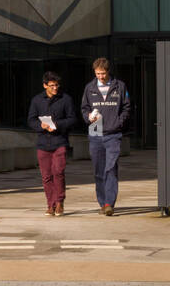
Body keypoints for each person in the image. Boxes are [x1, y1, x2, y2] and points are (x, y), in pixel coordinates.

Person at [81, 57, 130, 215]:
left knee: (111, 168)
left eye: (102, 73)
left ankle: (109, 203)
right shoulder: (89, 88)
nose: (100, 77)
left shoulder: (119, 86)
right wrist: (88, 117)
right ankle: (102, 203)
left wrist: (119, 122)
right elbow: (84, 108)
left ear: (108, 71)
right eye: (97, 74)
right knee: (99, 170)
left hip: (113, 134)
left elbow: (127, 107)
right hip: (95, 132)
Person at [27, 72, 76, 216]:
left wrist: (57, 124)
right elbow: (31, 120)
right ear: (45, 86)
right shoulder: (37, 100)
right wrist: (40, 125)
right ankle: (51, 204)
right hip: (43, 143)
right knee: (46, 176)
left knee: (58, 172)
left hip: (59, 141)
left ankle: (59, 202)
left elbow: (72, 119)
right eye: (52, 85)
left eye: (57, 85)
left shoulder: (66, 99)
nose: (55, 88)